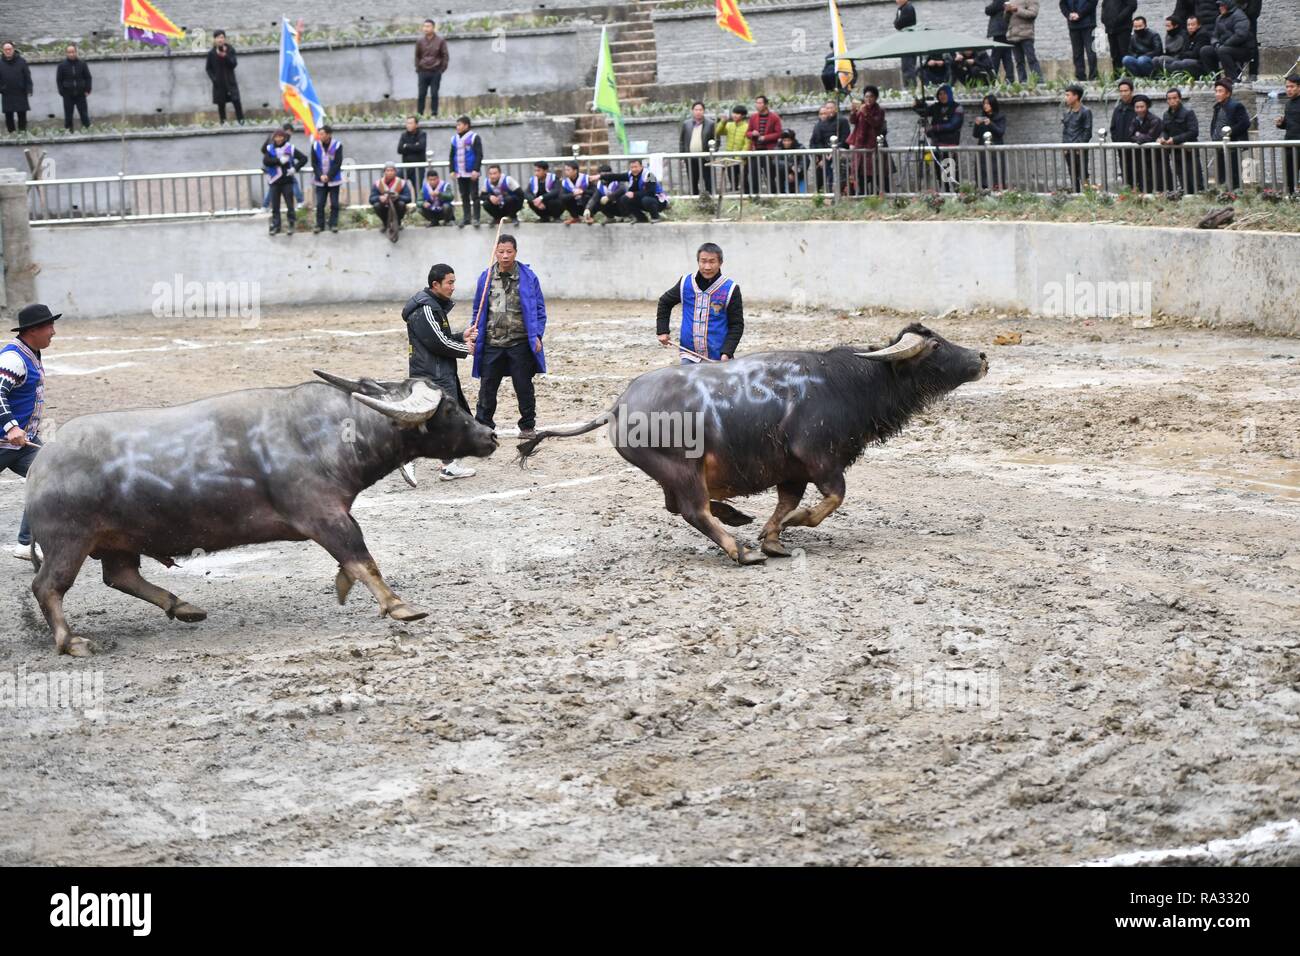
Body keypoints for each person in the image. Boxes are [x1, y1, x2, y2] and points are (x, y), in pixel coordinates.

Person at [402, 263, 477, 480]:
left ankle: (449, 465)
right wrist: (466, 349)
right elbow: (438, 343)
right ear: (436, 284)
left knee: (446, 420)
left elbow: (441, 338)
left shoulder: (434, 305)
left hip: (438, 371)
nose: (453, 287)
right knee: (433, 421)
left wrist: (462, 336)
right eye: (450, 283)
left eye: (454, 282)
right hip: (432, 374)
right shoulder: (425, 308)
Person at [470, 235, 547, 439]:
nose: (505, 256)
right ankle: (484, 426)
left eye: (509, 252)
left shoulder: (528, 277)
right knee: (487, 387)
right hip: (492, 342)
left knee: (524, 386)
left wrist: (537, 334)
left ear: (516, 252)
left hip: (520, 341)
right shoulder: (485, 277)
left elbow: (539, 309)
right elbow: (477, 309)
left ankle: (527, 426)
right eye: (501, 251)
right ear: (495, 252)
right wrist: (474, 335)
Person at [0, 303, 59, 562]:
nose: (53, 332)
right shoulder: (13, 358)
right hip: (4, 441)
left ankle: (26, 543)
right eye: (49, 326)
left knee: (49, 475)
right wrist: (11, 426)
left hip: (22, 443)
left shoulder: (32, 352)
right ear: (33, 330)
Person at [654, 243, 743, 364]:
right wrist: (662, 331)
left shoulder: (731, 289)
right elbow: (665, 302)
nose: (707, 267)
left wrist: (727, 352)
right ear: (698, 262)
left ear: (720, 263)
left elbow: (736, 325)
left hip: (717, 357)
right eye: (703, 261)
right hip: (689, 355)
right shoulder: (685, 283)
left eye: (712, 262)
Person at [915, 84, 964, 190]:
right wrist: (918, 103)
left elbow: (953, 125)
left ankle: (956, 196)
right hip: (936, 145)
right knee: (940, 174)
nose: (942, 96)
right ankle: (944, 195)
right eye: (940, 94)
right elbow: (923, 112)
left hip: (950, 146)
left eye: (944, 93)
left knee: (951, 174)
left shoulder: (957, 108)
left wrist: (934, 128)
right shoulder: (936, 107)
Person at [262, 127, 306, 235]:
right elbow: (266, 161)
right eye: (276, 137)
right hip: (274, 181)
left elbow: (304, 158)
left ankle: (291, 224)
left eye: (281, 136)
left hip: (287, 180)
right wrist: (278, 161)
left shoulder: (289, 148)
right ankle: (276, 226)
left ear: (284, 137)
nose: (279, 139)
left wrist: (295, 168)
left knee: (290, 205)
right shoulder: (269, 148)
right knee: (275, 206)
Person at [1159, 87, 1203, 193]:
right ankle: (1186, 200)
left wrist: (1174, 139)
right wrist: (1162, 138)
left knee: (1195, 180)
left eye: (1174, 98)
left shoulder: (1188, 113)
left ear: (1180, 99)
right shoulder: (1166, 115)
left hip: (1189, 152)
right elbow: (1165, 130)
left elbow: (1194, 132)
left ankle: (1199, 200)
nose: (1172, 101)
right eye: (1169, 98)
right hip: (1176, 153)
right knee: (1183, 180)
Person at [848, 86, 889, 195]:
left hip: (873, 146)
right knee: (860, 175)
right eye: (866, 97)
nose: (868, 99)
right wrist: (853, 111)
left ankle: (877, 197)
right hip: (860, 145)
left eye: (871, 97)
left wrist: (866, 113)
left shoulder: (879, 111)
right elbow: (853, 121)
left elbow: (876, 123)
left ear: (875, 98)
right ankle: (862, 197)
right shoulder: (861, 108)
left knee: (876, 174)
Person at [1209, 76, 1249, 187]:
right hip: (1219, 146)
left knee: (1233, 176)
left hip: (1232, 147)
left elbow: (1245, 123)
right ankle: (1224, 197)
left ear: (1228, 93)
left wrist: (1230, 131)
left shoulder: (1236, 106)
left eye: (1220, 91)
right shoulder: (1217, 107)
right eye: (1216, 91)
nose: (1217, 94)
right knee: (1221, 177)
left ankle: (1236, 197)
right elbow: (1215, 124)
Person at [1200, 0, 1250, 83]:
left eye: (1222, 6)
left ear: (1228, 5)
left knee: (1223, 51)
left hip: (1242, 49)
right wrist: (1216, 44)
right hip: (1223, 47)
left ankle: (1232, 79)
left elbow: (1240, 35)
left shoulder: (1240, 16)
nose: (1220, 8)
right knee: (1205, 50)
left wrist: (1225, 44)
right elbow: (1214, 36)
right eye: (1219, 6)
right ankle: (1214, 78)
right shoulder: (1219, 18)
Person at [808, 100, 850, 193]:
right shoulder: (820, 125)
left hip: (840, 153)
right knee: (821, 171)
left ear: (836, 109)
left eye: (831, 108)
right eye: (827, 108)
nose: (829, 110)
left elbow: (845, 139)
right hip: (825, 154)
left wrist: (835, 149)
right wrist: (823, 155)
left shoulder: (842, 121)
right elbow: (817, 141)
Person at [448, 115, 483, 228]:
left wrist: (476, 170)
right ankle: (466, 218)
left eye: (459, 125)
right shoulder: (454, 139)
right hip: (460, 172)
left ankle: (476, 218)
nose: (457, 127)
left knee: (474, 195)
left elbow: (479, 154)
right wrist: (452, 170)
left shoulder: (474, 137)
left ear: (466, 126)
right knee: (464, 195)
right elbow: (451, 155)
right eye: (457, 125)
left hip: (471, 172)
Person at [746, 96, 782, 195]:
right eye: (756, 103)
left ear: (765, 104)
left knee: (770, 176)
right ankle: (755, 196)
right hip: (755, 150)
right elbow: (747, 133)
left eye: (760, 103)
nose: (757, 105)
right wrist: (752, 133)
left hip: (768, 151)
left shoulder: (774, 117)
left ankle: (774, 195)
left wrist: (765, 138)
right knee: (754, 176)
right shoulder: (753, 117)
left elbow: (778, 133)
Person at [310, 124, 343, 233]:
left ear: (329, 134)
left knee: (334, 203)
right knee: (320, 204)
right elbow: (314, 163)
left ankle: (333, 224)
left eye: (322, 134)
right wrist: (320, 175)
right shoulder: (315, 146)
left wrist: (328, 176)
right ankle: (320, 225)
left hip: (333, 179)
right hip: (320, 180)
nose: (320, 136)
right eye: (319, 134)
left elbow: (337, 163)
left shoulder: (337, 145)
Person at [1128, 93, 1164, 191]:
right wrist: (1140, 137)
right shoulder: (1134, 120)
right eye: (1137, 107)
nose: (1139, 110)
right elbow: (1130, 136)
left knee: (1157, 181)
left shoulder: (1155, 120)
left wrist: (1138, 135)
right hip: (1140, 156)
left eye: (1142, 107)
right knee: (1143, 181)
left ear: (1147, 106)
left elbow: (1151, 137)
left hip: (1155, 157)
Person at [679, 101, 716, 196]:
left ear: (704, 111)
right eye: (696, 110)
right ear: (692, 111)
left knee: (708, 181)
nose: (698, 112)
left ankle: (710, 199)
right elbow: (682, 141)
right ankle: (694, 199)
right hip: (691, 158)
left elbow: (716, 140)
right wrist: (683, 157)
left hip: (706, 158)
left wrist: (712, 153)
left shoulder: (711, 124)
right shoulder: (686, 124)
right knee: (692, 181)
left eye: (700, 110)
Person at [206, 30, 243, 124]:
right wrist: (214, 79)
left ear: (225, 39)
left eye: (222, 37)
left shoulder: (230, 50)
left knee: (236, 102)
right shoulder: (211, 53)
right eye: (218, 37)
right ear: (214, 39)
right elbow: (208, 68)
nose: (220, 40)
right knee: (221, 104)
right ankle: (223, 123)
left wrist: (225, 56)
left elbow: (234, 64)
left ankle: (241, 122)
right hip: (219, 83)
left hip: (230, 81)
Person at [972, 93, 1008, 189]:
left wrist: (990, 123)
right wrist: (976, 124)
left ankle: (998, 190)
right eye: (984, 103)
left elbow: (1000, 132)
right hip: (982, 151)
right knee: (981, 173)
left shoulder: (1000, 117)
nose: (985, 106)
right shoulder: (982, 117)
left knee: (996, 174)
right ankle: (981, 190)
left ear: (993, 104)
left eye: (988, 103)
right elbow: (975, 135)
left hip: (995, 151)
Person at [370, 163, 412, 242]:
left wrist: (398, 197)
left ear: (395, 172)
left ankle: (398, 223)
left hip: (396, 206)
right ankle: (385, 223)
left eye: (392, 170)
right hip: (384, 207)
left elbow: (408, 198)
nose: (390, 173)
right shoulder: (378, 184)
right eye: (388, 170)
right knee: (376, 205)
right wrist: (379, 198)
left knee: (401, 204)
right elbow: (371, 199)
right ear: (384, 172)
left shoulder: (402, 183)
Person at [1061, 84, 1093, 191]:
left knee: (1083, 174)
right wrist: (1064, 146)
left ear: (1076, 96)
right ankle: (1075, 195)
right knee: (1072, 174)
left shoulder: (1085, 111)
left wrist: (1080, 146)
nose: (1066, 98)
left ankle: (1089, 196)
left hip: (1080, 149)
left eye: (1068, 95)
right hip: (1068, 149)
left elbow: (1087, 131)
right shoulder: (1067, 112)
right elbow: (1065, 131)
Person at [415, 19, 449, 117]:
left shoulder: (440, 41)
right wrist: (418, 69)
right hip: (423, 71)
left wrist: (441, 70)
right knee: (421, 94)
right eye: (424, 26)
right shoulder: (420, 41)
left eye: (428, 26)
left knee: (434, 94)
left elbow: (445, 56)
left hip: (435, 71)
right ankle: (419, 114)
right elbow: (417, 56)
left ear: (433, 28)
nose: (426, 28)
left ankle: (434, 113)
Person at [1005, 1, 1043, 83]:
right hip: (1013, 36)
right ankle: (1022, 82)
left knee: (1031, 59)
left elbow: (1032, 14)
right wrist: (1007, 12)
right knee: (1019, 62)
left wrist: (1017, 9)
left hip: (1026, 34)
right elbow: (1006, 20)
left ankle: (1039, 81)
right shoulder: (1012, 1)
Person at [1060, 0, 1099, 81]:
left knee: (1091, 52)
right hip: (1073, 26)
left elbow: (1092, 3)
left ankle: (1093, 77)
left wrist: (1080, 14)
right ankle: (1080, 77)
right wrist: (1068, 14)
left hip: (1088, 24)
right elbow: (1062, 4)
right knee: (1077, 53)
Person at [55, 44, 91, 131]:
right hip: (68, 95)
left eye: (73, 52)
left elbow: (88, 77)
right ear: (66, 53)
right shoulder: (62, 66)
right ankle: (68, 132)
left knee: (84, 115)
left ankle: (88, 131)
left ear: (76, 52)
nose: (71, 54)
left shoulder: (82, 64)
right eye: (69, 52)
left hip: (81, 94)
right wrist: (61, 92)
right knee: (68, 116)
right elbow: (59, 80)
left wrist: (87, 90)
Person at [715, 105, 750, 193]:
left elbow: (747, 143)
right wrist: (723, 122)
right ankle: (734, 195)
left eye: (737, 114)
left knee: (744, 179)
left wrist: (742, 155)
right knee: (732, 180)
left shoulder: (747, 127)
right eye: (734, 113)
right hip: (730, 158)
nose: (735, 115)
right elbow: (717, 132)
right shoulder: (729, 125)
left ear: (743, 115)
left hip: (742, 159)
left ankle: (746, 196)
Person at [0, 42, 33, 133]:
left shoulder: (21, 61)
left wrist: (29, 89)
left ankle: (22, 134)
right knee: (8, 116)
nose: (8, 51)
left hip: (20, 92)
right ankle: (12, 135)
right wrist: (2, 89)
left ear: (13, 49)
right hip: (7, 94)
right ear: (3, 50)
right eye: (6, 49)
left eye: (9, 49)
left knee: (22, 115)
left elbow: (27, 77)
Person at [1110, 79, 1137, 186]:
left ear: (1131, 91)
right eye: (1121, 91)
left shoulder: (1138, 107)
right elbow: (1113, 128)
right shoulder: (1118, 109)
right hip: (1122, 149)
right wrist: (1117, 143)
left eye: (1126, 91)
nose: (1123, 93)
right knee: (1126, 175)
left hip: (1137, 148)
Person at [1276, 74, 1300, 194]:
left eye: (1292, 87)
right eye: (1287, 87)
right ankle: (1290, 197)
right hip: (1289, 143)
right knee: (1289, 174)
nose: (1289, 90)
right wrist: (1281, 123)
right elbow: (1290, 124)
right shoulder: (1288, 104)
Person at [984, 1, 1016, 81]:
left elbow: (989, 10)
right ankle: (1010, 79)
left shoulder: (998, 1)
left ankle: (992, 79)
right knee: (1007, 56)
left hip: (999, 32)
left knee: (995, 57)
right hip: (1006, 30)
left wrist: (988, 7)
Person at [1100, 0, 1137, 67]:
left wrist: (1119, 18)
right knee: (1114, 55)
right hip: (1110, 28)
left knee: (1124, 54)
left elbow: (1132, 6)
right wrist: (1103, 18)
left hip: (1123, 28)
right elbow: (1104, 5)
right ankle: (1117, 75)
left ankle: (1127, 75)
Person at [397, 116, 427, 182]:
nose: (408, 125)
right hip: (406, 167)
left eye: (411, 123)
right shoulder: (404, 135)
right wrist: (414, 145)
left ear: (416, 125)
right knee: (395, 177)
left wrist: (407, 146)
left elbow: (420, 147)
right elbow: (399, 150)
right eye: (407, 123)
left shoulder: (422, 134)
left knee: (418, 189)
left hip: (418, 168)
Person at [895, 0, 919, 85]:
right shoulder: (901, 9)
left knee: (908, 66)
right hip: (905, 40)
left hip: (909, 41)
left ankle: (911, 87)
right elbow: (896, 23)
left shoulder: (908, 8)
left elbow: (900, 23)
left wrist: (897, 23)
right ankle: (908, 85)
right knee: (905, 66)